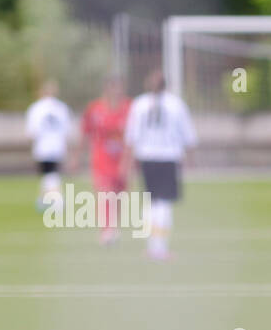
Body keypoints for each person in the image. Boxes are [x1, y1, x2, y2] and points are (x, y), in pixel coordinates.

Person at [122, 70, 197, 261]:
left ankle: (152, 246)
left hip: (147, 158)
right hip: (168, 157)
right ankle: (159, 248)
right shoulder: (176, 105)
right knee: (163, 204)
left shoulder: (139, 104)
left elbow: (131, 137)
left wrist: (127, 162)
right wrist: (191, 158)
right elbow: (188, 135)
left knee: (151, 202)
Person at [79, 76, 132, 244]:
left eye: (119, 88)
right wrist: (76, 156)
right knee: (104, 193)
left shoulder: (130, 108)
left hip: (122, 158)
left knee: (119, 195)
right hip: (102, 159)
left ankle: (113, 227)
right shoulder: (94, 109)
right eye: (112, 88)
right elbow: (85, 133)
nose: (116, 92)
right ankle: (106, 229)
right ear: (106, 89)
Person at [24, 80, 73, 209]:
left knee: (50, 174)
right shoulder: (62, 107)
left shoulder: (36, 107)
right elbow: (67, 130)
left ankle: (57, 200)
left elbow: (31, 131)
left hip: (43, 146)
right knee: (50, 173)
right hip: (58, 146)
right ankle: (43, 198)